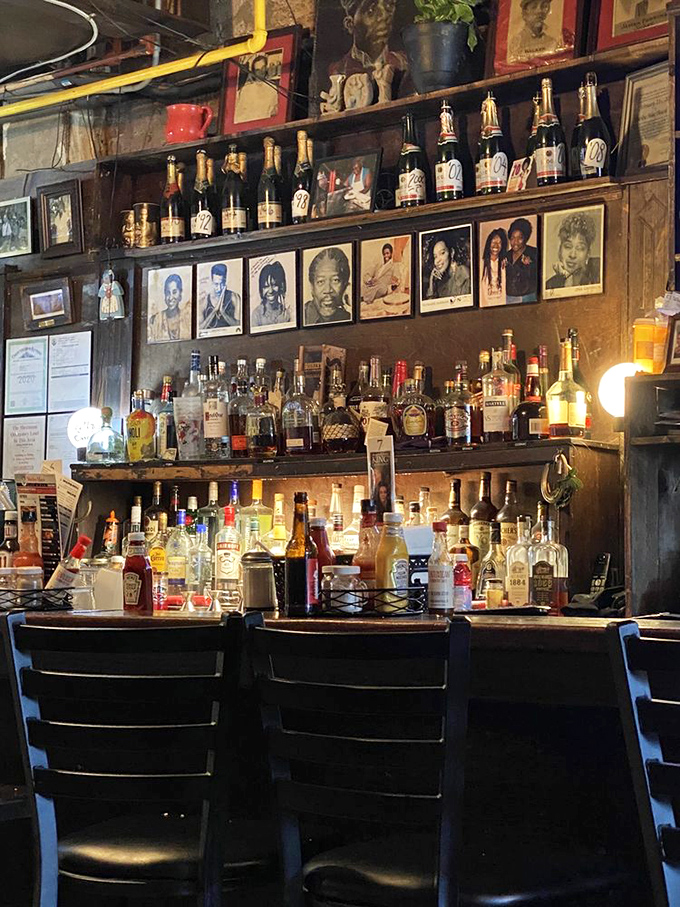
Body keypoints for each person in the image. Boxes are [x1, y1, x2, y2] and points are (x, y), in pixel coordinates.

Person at [328, 0, 407, 86]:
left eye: (389, 7)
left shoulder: (404, 62)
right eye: (371, 11)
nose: (384, 16)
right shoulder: (338, 70)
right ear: (350, 24)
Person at [546, 212, 601, 290]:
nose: (572, 255)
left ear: (588, 253)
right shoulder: (550, 284)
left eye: (580, 248)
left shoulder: (599, 272)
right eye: (568, 247)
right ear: (560, 249)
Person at [304, 247, 352, 325]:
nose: (328, 290)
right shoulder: (301, 317)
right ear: (312, 287)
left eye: (335, 280)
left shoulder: (347, 317)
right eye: (321, 282)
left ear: (345, 285)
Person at [234, 53, 278, 124]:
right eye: (257, 70)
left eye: (263, 68)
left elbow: (275, 110)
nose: (261, 72)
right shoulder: (246, 89)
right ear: (254, 71)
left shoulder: (272, 88)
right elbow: (238, 114)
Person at [149, 273, 192, 343]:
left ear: (180, 294)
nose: (170, 297)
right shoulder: (156, 320)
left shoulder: (187, 319)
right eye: (168, 293)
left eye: (174, 292)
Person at [504, 217, 538, 304]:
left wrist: (530, 265)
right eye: (512, 238)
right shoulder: (506, 256)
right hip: (509, 298)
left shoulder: (534, 253)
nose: (515, 242)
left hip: (528, 298)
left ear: (525, 238)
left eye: (520, 238)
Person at [200, 263, 240, 333]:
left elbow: (239, 327)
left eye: (222, 284)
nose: (219, 288)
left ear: (225, 281)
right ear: (212, 281)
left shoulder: (234, 297)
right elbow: (199, 329)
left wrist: (223, 313)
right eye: (216, 284)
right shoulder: (204, 300)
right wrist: (215, 310)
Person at [251, 261, 292, 328]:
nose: (270, 290)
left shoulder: (287, 313)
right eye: (266, 286)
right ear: (261, 289)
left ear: (280, 286)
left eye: (274, 285)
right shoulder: (257, 315)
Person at [480, 229, 508, 307]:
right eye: (493, 242)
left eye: (499, 243)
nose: (496, 245)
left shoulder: (505, 263)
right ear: (488, 244)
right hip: (485, 308)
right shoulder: (481, 263)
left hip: (502, 307)